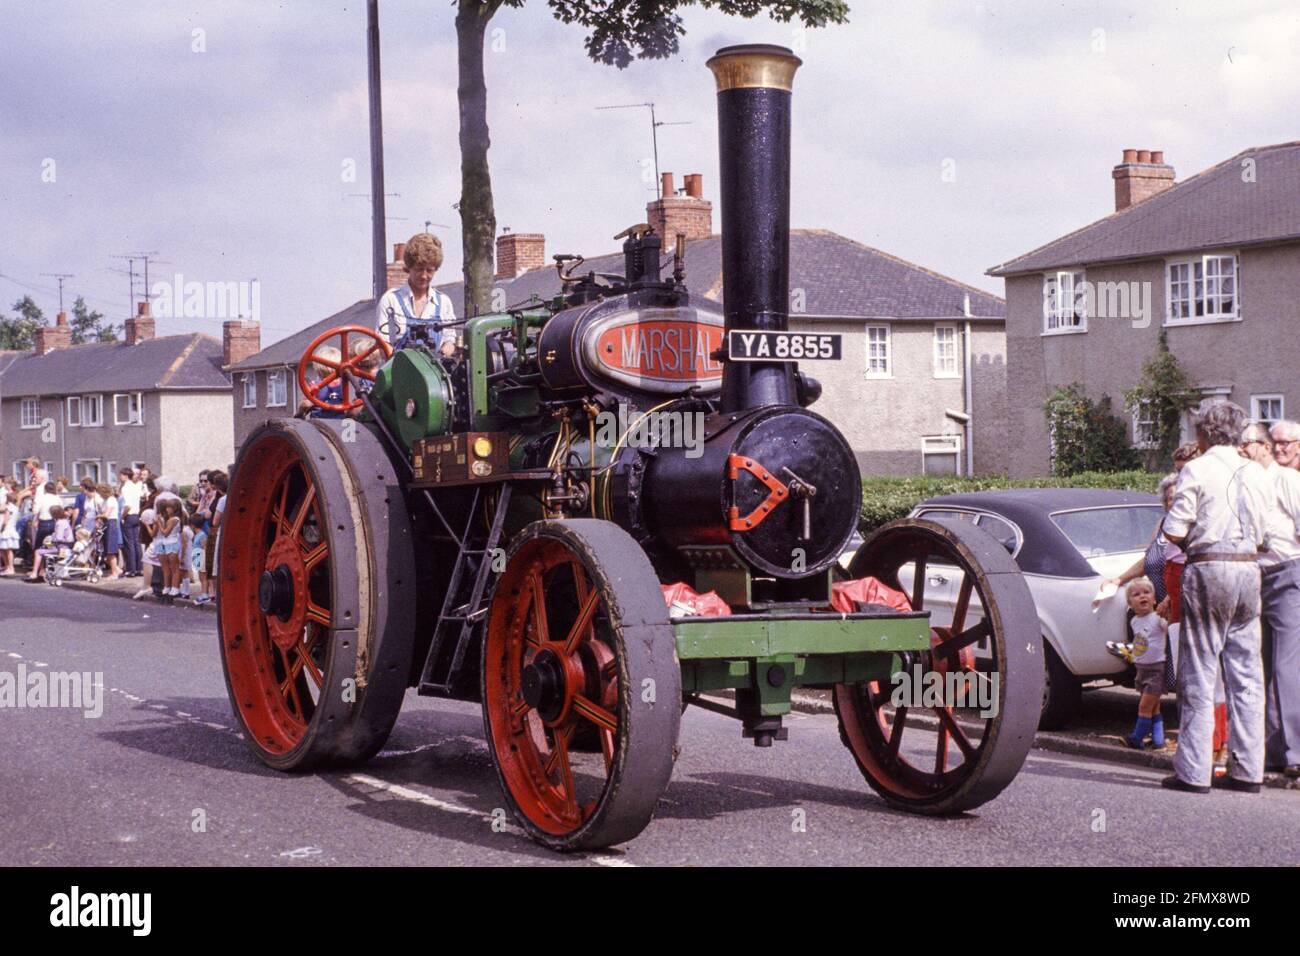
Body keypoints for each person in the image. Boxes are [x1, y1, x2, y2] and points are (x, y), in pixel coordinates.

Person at [1161, 401, 1281, 794]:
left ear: (1203, 434)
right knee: (1247, 675)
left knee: (1199, 671)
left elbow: (1175, 531)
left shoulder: (1198, 468)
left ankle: (1193, 771)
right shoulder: (1258, 471)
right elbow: (1265, 532)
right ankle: (1248, 770)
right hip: (1249, 568)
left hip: (1209, 566)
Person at [1251, 421, 1300, 778]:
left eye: (1286, 442)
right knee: (1271, 664)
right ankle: (1277, 750)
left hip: (1287, 570)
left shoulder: (1289, 481)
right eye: (1275, 441)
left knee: (1285, 664)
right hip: (1262, 574)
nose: (1279, 447)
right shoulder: (1265, 478)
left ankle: (1291, 751)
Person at [376, 232, 459, 355]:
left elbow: (449, 340)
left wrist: (444, 353)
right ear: (409, 267)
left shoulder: (443, 302)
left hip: (433, 372)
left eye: (430, 270)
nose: (424, 276)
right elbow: (383, 344)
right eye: (419, 269)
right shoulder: (390, 301)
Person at [1112, 577, 1170, 749]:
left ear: (1154, 599)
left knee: (1144, 707)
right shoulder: (1134, 621)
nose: (1142, 596)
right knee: (1154, 708)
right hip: (1141, 670)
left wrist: (1168, 612)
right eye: (1136, 595)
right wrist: (1129, 653)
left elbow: (1169, 629)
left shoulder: (1158, 619)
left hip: (1156, 671)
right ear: (1130, 604)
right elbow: (1140, 644)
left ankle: (1136, 738)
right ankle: (1159, 741)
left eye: (1146, 592)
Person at [29, 505, 74, 581]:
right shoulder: (64, 521)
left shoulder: (60, 523)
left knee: (38, 552)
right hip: (63, 546)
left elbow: (59, 538)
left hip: (62, 548)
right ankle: (41, 572)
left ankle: (34, 573)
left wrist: (50, 538)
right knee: (43, 548)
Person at [204, 471, 228, 603]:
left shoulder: (222, 500)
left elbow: (215, 521)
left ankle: (218, 594)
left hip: (221, 533)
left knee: (215, 565)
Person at [154, 498, 182, 603]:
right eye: (167, 507)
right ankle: (167, 587)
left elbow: (165, 533)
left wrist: (159, 524)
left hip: (173, 543)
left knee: (175, 568)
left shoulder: (174, 519)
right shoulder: (170, 518)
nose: (167, 509)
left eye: (170, 507)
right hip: (167, 544)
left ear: (175, 509)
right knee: (168, 567)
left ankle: (175, 588)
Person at [119, 467, 144, 577]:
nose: (120, 477)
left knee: (129, 544)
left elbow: (127, 505)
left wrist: (122, 516)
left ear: (125, 475)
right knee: (136, 543)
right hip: (136, 515)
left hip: (128, 516)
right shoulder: (135, 486)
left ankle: (131, 569)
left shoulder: (125, 488)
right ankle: (139, 568)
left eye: (121, 475)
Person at [95, 482, 122, 580]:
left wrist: (98, 516)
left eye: (99, 492)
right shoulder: (105, 500)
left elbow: (106, 514)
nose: (99, 494)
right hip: (107, 524)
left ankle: (114, 573)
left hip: (111, 524)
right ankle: (117, 569)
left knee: (111, 550)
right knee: (106, 550)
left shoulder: (111, 500)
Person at [189, 514, 209, 604]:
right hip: (197, 555)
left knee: (203, 576)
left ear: (192, 525)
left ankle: (205, 594)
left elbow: (204, 547)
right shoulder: (197, 535)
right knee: (201, 576)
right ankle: (203, 593)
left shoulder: (202, 535)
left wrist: (204, 559)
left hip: (200, 555)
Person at [0, 490, 19, 575]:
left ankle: (10, 567)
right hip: (12, 529)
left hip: (7, 530)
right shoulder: (15, 508)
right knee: (5, 550)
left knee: (7, 550)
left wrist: (1, 529)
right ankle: (8, 567)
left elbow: (5, 521)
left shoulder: (8, 508)